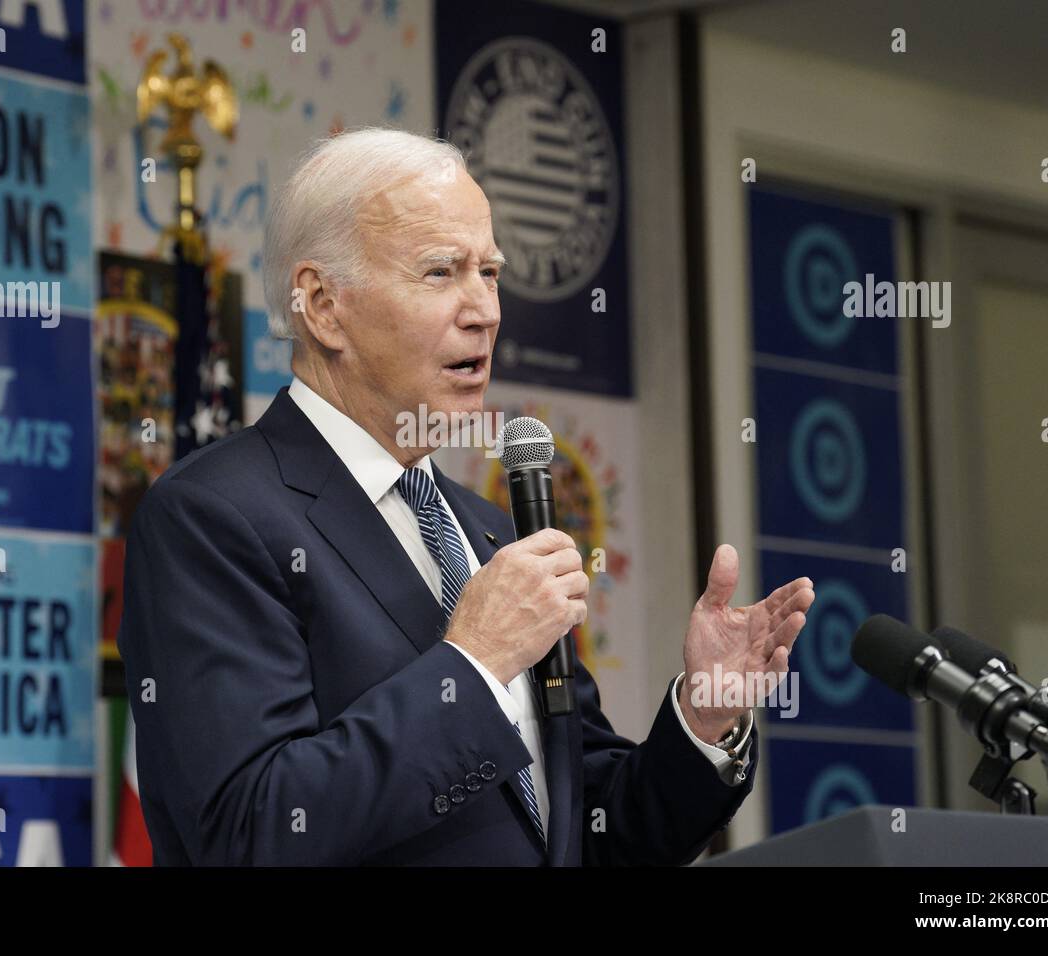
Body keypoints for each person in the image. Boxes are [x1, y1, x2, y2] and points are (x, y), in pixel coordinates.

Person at [118, 127, 815, 865]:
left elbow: (592, 829)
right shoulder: (213, 518)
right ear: (323, 306)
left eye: (490, 272)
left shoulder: (488, 532)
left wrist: (703, 722)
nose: (484, 309)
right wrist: (475, 661)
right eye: (441, 273)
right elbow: (248, 832)